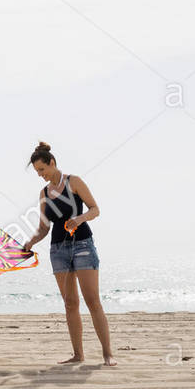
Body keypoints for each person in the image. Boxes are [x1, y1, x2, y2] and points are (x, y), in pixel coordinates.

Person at [23, 142, 116, 366]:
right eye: (37, 172)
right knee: (70, 304)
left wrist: (79, 219)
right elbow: (44, 227)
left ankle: (107, 354)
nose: (40, 175)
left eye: (42, 170)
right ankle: (78, 355)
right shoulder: (44, 193)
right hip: (58, 249)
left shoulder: (74, 181)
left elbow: (95, 209)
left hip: (83, 243)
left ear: (52, 163)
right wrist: (30, 242)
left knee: (93, 301)